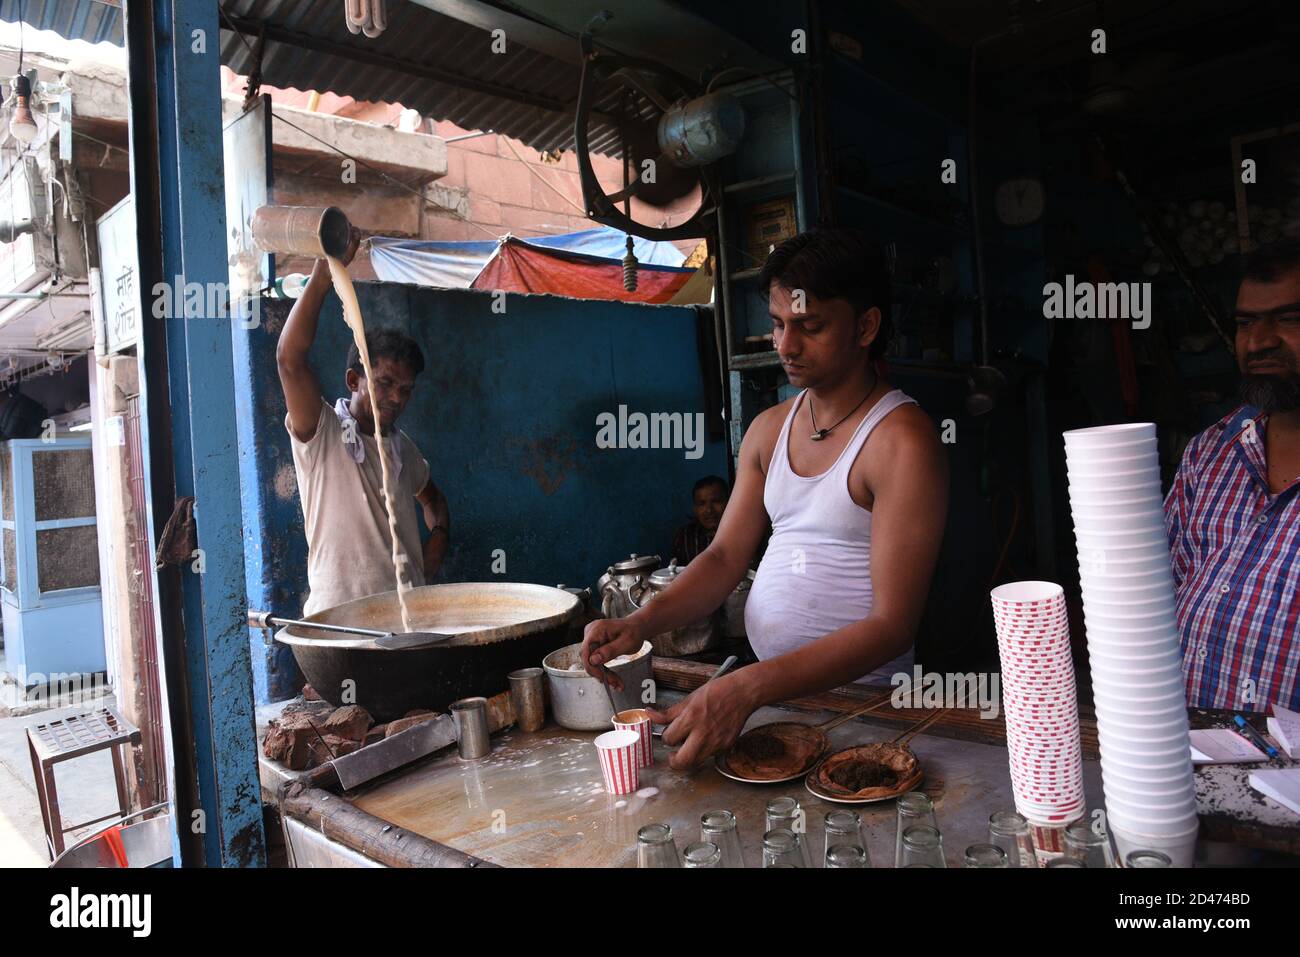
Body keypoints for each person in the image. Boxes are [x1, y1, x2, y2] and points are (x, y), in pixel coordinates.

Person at [582, 227, 949, 768]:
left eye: (811, 326)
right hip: (775, 701)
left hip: (870, 709)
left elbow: (893, 624)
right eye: (778, 325)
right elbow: (725, 558)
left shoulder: (902, 439)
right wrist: (640, 624)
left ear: (866, 326)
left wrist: (751, 687)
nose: (786, 346)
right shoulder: (768, 430)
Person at [276, 233, 450, 617]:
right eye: (384, 384)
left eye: (405, 390)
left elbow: (433, 499)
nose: (396, 398)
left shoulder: (402, 448)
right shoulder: (322, 433)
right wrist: (325, 273)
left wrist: (434, 546)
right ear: (354, 381)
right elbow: (290, 361)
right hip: (340, 626)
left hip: (406, 620)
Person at [1165, 238, 1300, 711]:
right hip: (1174, 754)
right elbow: (1161, 593)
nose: (1259, 341)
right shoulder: (1211, 451)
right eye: (1245, 323)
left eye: (1289, 318)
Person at [671, 476, 729, 564]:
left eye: (716, 501)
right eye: (702, 504)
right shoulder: (685, 537)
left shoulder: (744, 533)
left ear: (729, 502)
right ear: (695, 509)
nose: (709, 510)